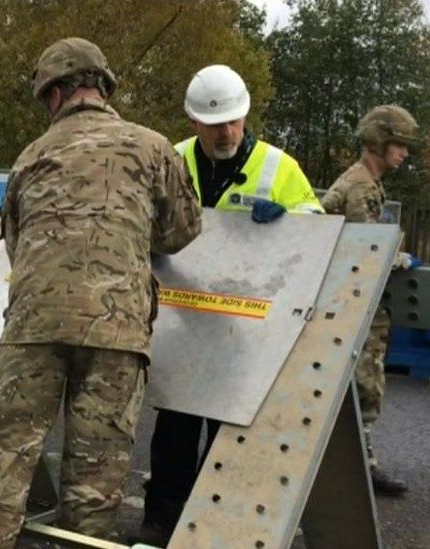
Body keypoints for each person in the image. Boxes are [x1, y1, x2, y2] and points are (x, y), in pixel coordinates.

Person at [0, 37, 202, 548]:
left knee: (5, 463)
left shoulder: (30, 157)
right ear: (102, 86)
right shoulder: (152, 146)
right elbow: (181, 230)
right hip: (115, 330)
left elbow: (15, 244)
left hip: (31, 329)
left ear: (54, 93)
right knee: (94, 484)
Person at [131, 64, 324, 547]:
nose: (227, 132)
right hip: (183, 315)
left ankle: (213, 522)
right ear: (194, 123)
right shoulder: (171, 159)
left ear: (245, 114)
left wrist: (289, 220)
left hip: (244, 324)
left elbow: (318, 227)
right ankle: (163, 517)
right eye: (215, 124)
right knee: (174, 424)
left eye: (234, 121)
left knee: (229, 427)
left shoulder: (279, 167)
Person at [321, 104, 421, 497]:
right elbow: (367, 248)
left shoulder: (363, 181)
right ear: (379, 141)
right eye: (399, 145)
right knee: (365, 387)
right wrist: (402, 258)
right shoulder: (362, 187)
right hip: (356, 304)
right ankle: (360, 470)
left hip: (350, 300)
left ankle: (357, 465)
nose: (404, 153)